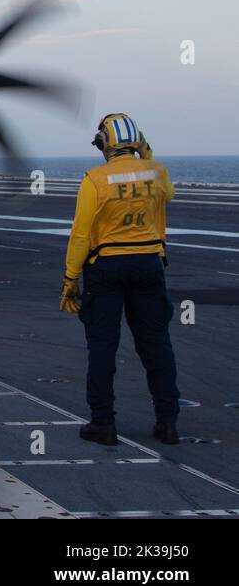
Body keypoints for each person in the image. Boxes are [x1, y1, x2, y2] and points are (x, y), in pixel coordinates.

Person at [63, 113, 179, 447]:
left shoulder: (94, 179)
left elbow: (81, 235)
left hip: (107, 267)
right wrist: (147, 152)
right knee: (157, 345)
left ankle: (103, 424)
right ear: (137, 141)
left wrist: (70, 279)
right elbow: (168, 195)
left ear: (103, 143)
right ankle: (168, 423)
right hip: (149, 264)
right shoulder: (157, 173)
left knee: (103, 347)